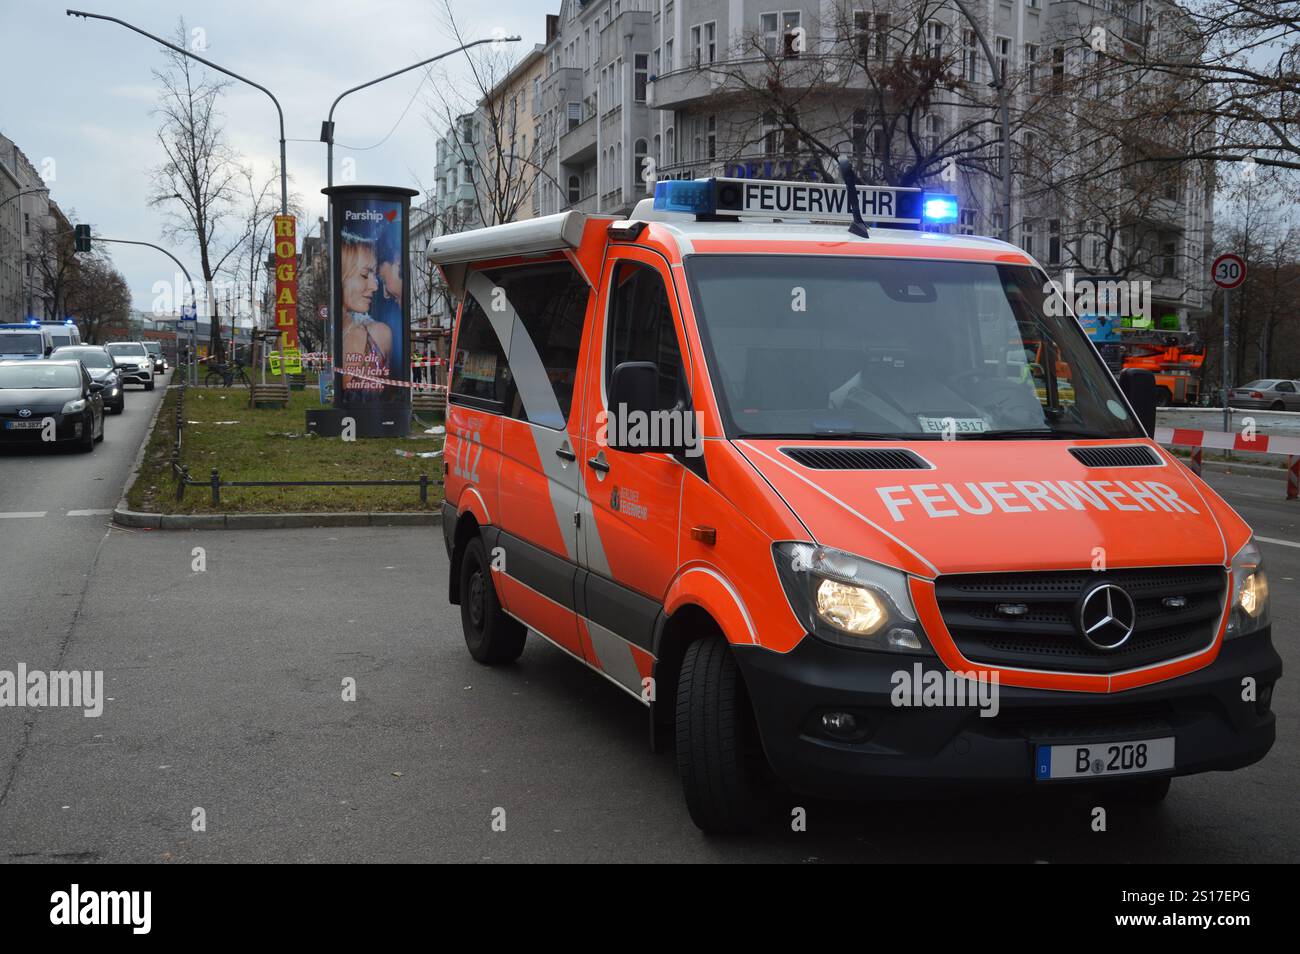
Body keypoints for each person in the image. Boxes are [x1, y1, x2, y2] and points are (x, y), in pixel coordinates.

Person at [338, 228, 391, 401]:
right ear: (341, 276)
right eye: (364, 274)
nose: (375, 286)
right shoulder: (330, 338)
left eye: (373, 275)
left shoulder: (379, 335)